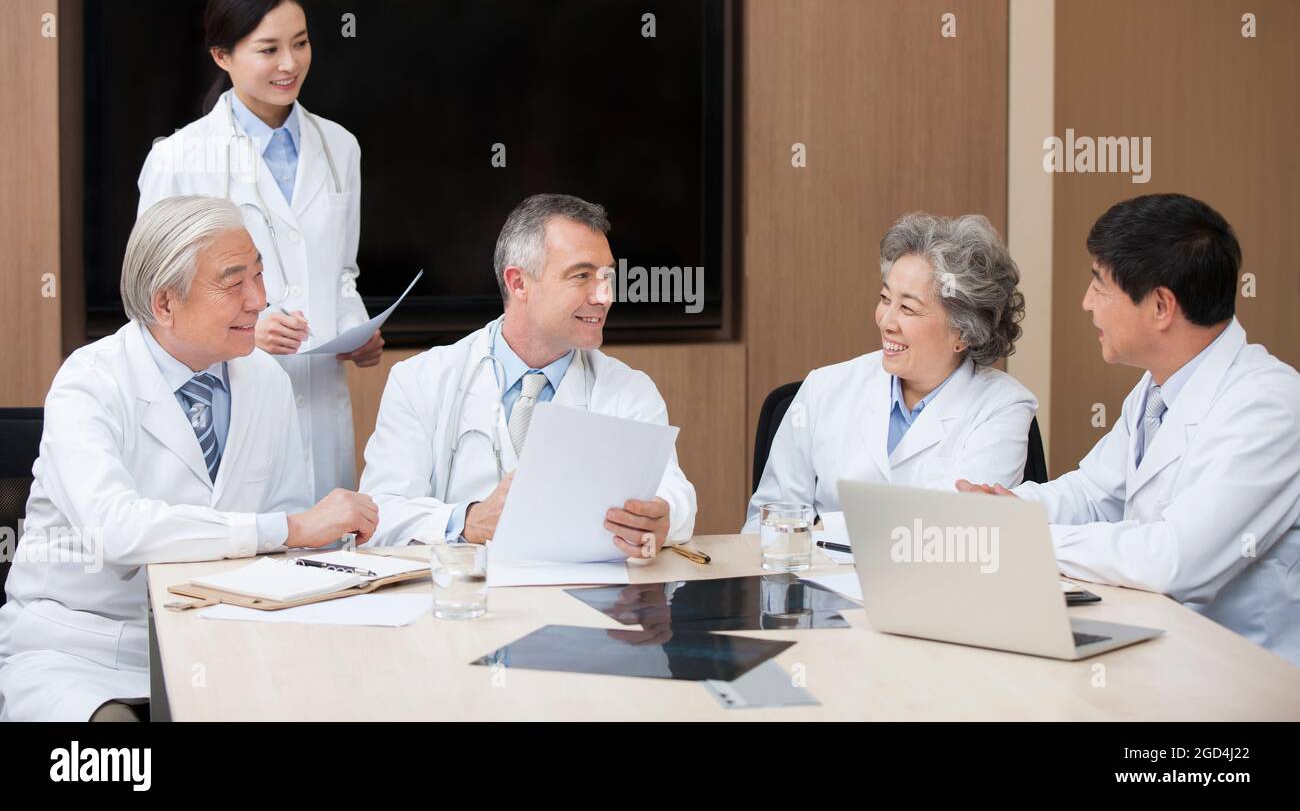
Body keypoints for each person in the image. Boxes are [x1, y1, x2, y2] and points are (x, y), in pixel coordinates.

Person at [0, 198, 378, 721]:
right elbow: (117, 529)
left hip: (224, 640)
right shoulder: (89, 382)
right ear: (164, 305)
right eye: (234, 282)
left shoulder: (264, 379)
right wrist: (288, 528)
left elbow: (288, 536)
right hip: (86, 651)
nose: (259, 301)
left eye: (260, 275)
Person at [959, 193, 1300, 666]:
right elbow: (1095, 492)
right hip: (1160, 648)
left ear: (1161, 306)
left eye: (1099, 286)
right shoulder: (1156, 388)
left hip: (1242, 681)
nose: (1086, 303)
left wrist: (1019, 536)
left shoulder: (1270, 406)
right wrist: (998, 510)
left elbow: (1174, 560)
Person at [137, 0, 380, 500]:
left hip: (320, 404)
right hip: (228, 393)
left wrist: (357, 329)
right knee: (241, 557)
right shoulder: (178, 157)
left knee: (327, 559)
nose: (290, 64)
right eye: (268, 49)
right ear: (223, 56)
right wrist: (247, 327)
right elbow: (151, 302)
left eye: (301, 43)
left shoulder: (341, 147)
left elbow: (342, 271)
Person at [360, 193, 696, 555]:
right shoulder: (419, 381)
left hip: (584, 602)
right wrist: (469, 521)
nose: (605, 296)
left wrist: (663, 514)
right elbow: (379, 515)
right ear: (518, 283)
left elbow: (673, 493)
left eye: (607, 277)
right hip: (463, 601)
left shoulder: (629, 389)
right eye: (581, 276)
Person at [745, 212, 1037, 530]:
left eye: (908, 308)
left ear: (963, 333)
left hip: (937, 580)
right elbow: (766, 523)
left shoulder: (1003, 406)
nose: (886, 321)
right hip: (819, 577)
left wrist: (828, 529)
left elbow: (959, 525)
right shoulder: (825, 387)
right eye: (885, 299)